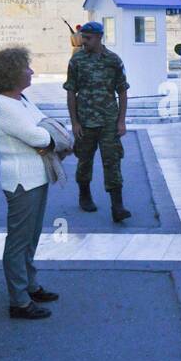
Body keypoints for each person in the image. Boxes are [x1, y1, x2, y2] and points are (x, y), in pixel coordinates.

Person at [0, 46, 58, 320]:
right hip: (21, 180)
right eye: (26, 68)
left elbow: (45, 123)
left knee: (31, 236)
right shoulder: (3, 104)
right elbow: (39, 136)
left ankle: (30, 284)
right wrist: (49, 138)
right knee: (19, 241)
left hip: (35, 176)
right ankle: (18, 300)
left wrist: (47, 133)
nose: (31, 71)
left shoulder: (20, 99)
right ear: (13, 73)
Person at [64, 22, 130, 222]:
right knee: (84, 160)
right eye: (82, 37)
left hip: (109, 121)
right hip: (85, 121)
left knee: (112, 161)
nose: (84, 41)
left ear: (100, 37)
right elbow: (70, 92)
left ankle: (117, 206)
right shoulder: (77, 60)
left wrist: (121, 121)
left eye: (88, 38)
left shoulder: (113, 60)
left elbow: (122, 91)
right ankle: (84, 195)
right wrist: (74, 123)